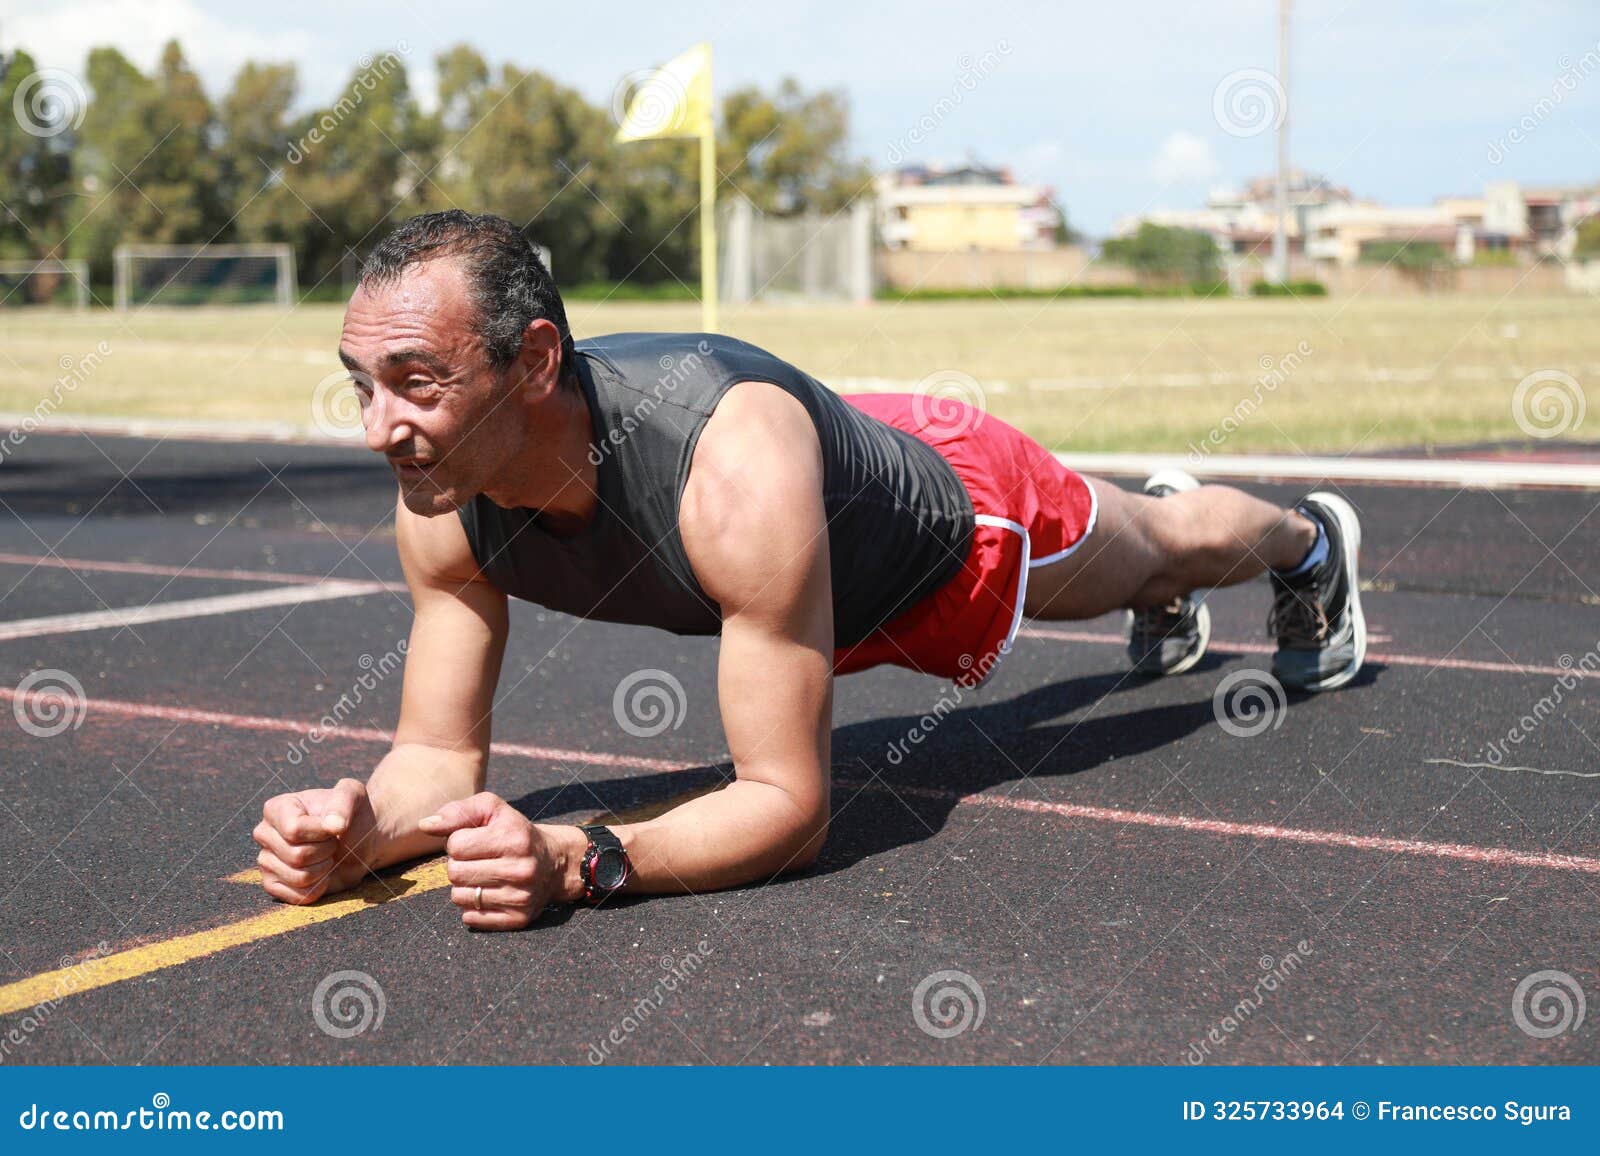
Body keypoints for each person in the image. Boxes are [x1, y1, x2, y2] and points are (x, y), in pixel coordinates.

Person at [252, 211, 1364, 930]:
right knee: (1144, 562)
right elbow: (437, 758)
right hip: (810, 485)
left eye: (414, 381)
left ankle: (1306, 543)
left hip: (948, 520)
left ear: (535, 359)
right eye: (361, 385)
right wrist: (360, 828)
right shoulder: (444, 497)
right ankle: (1172, 574)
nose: (376, 427)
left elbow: (791, 805)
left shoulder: (725, 473)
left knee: (1158, 544)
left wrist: (586, 857)